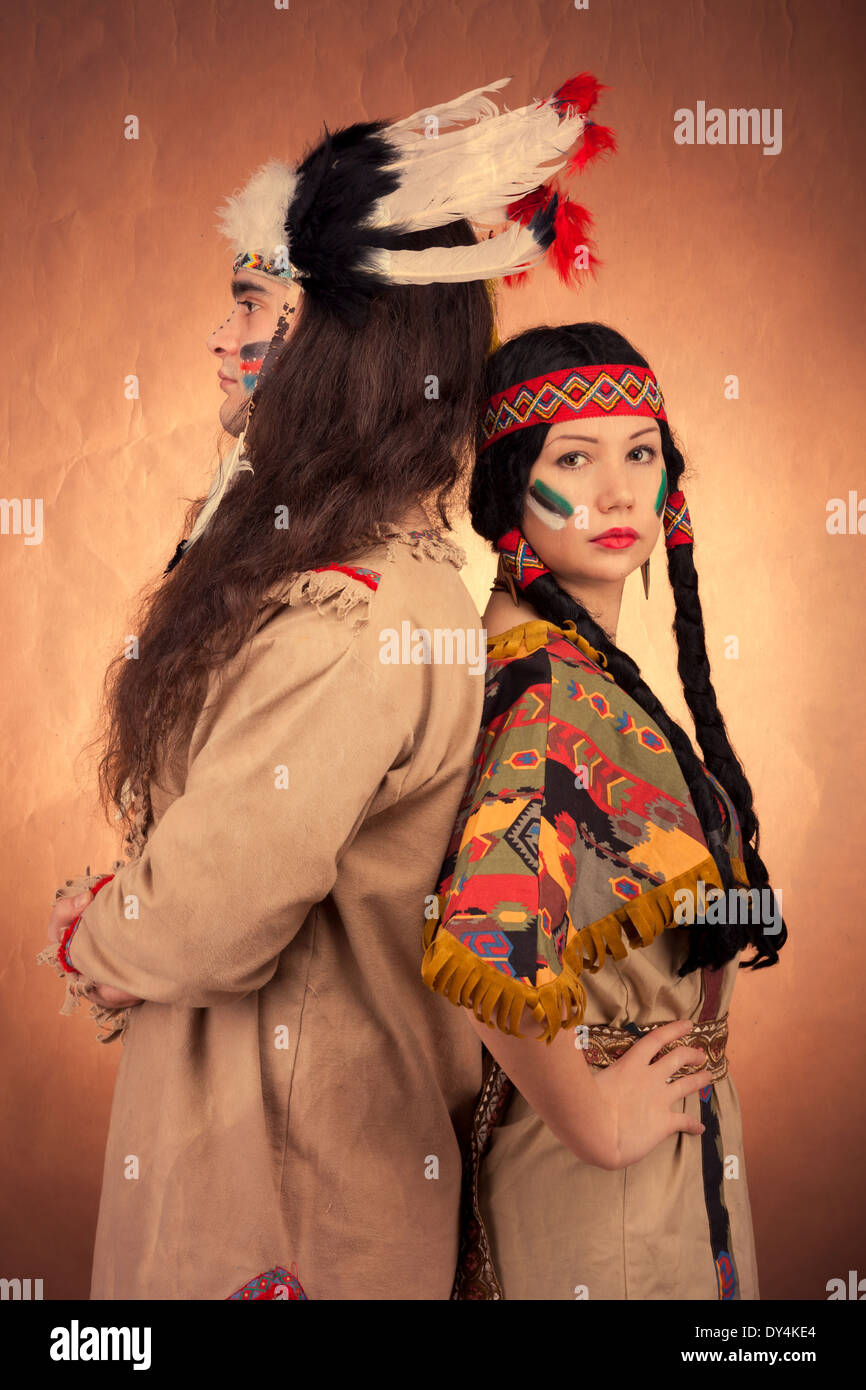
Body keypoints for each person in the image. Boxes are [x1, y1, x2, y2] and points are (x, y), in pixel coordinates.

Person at [37, 76, 616, 1299]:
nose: (220, 337)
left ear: (334, 348)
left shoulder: (350, 621)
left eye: (251, 302)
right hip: (286, 1172)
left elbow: (208, 911)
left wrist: (96, 930)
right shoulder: (374, 588)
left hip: (284, 1208)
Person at [422, 322, 787, 1300]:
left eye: (640, 452)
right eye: (572, 458)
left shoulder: (577, 670)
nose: (618, 489)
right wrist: (594, 1117)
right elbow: (488, 939)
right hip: (602, 1187)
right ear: (506, 491)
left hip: (655, 1167)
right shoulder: (544, 691)